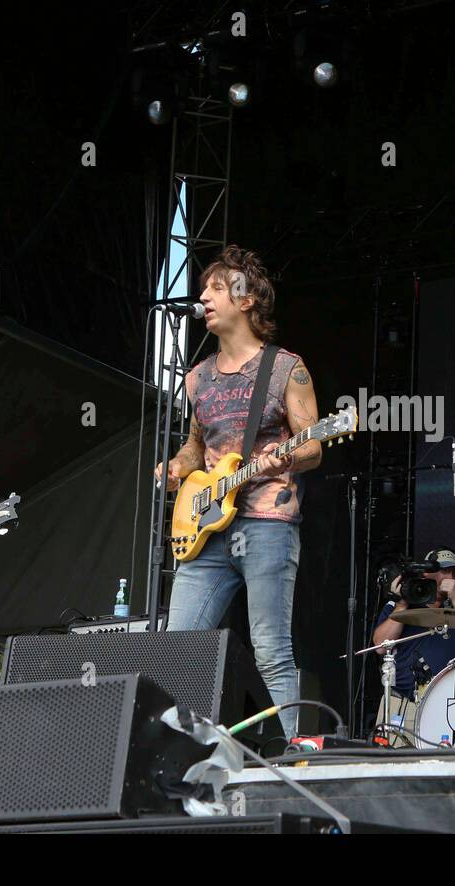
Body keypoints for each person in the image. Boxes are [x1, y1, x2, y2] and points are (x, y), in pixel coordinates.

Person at [155, 246, 322, 741]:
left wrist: (282, 458)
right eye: (203, 290)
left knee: (271, 650)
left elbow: (313, 446)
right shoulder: (198, 377)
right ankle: (179, 754)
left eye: (216, 289)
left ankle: (292, 756)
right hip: (205, 531)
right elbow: (196, 446)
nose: (204, 298)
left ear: (247, 300)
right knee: (178, 649)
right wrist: (177, 467)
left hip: (267, 524)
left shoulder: (286, 367)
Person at [371, 548, 455, 746]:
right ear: (426, 573)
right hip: (403, 704)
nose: (449, 576)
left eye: (453, 572)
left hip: (448, 708)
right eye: (442, 570)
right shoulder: (401, 605)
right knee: (394, 760)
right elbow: (380, 646)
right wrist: (402, 605)